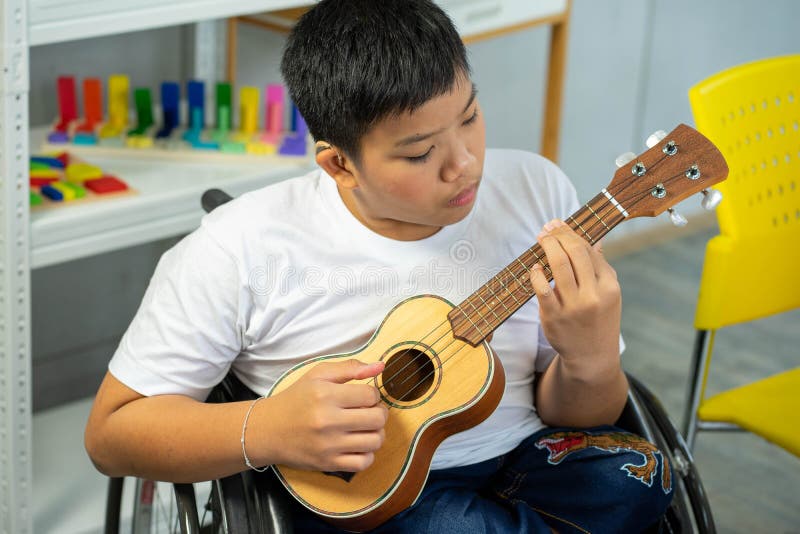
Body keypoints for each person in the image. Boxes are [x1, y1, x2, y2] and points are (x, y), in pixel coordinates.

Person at [85, 0, 674, 531]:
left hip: (526, 461)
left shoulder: (536, 189)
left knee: (641, 477)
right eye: (420, 152)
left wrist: (589, 353)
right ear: (340, 164)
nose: (464, 164)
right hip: (367, 491)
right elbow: (113, 435)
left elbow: (578, 415)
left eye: (469, 117)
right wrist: (267, 427)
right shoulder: (237, 248)